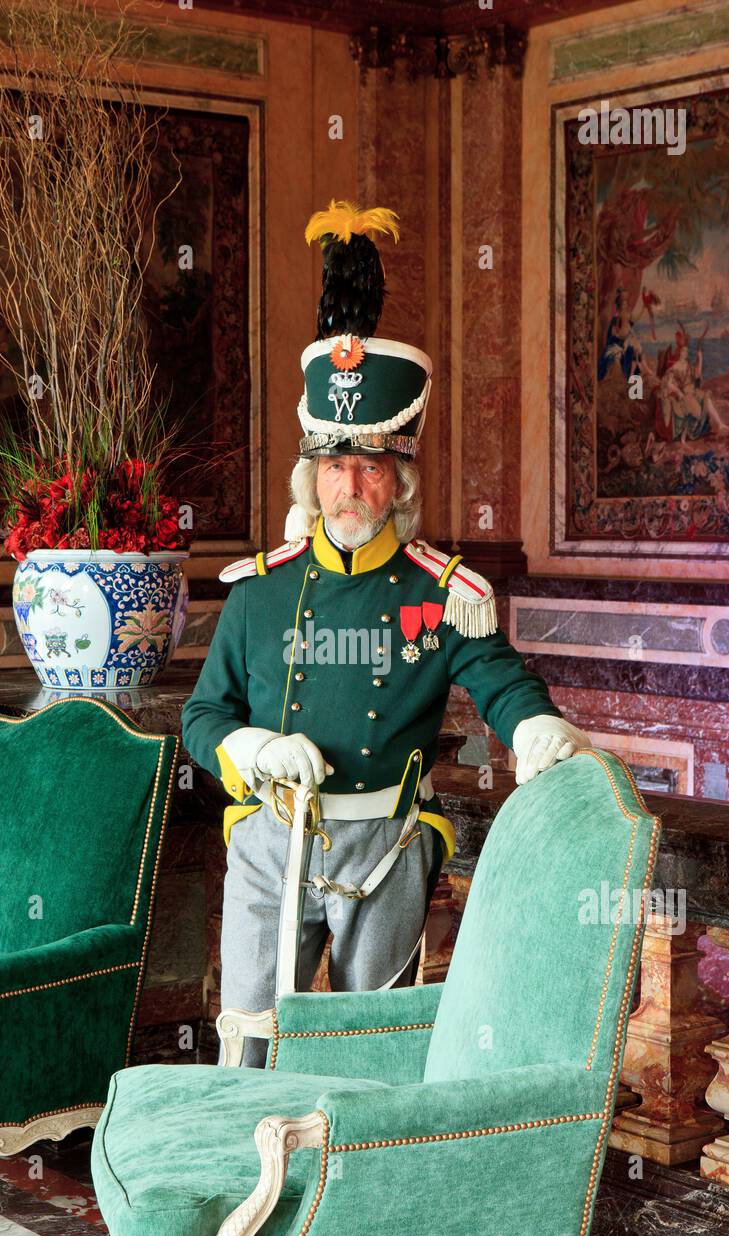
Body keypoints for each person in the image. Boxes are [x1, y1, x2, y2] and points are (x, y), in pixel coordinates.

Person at [182, 200, 591, 1065]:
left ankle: (358, 1188)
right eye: (336, 465)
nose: (351, 486)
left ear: (398, 482)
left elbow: (497, 675)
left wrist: (534, 724)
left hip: (389, 845)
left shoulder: (440, 594)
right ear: (312, 477)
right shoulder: (259, 595)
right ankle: (244, 1181)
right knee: (249, 1041)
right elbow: (201, 718)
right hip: (270, 839)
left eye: (371, 467)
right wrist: (253, 747)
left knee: (370, 1052)